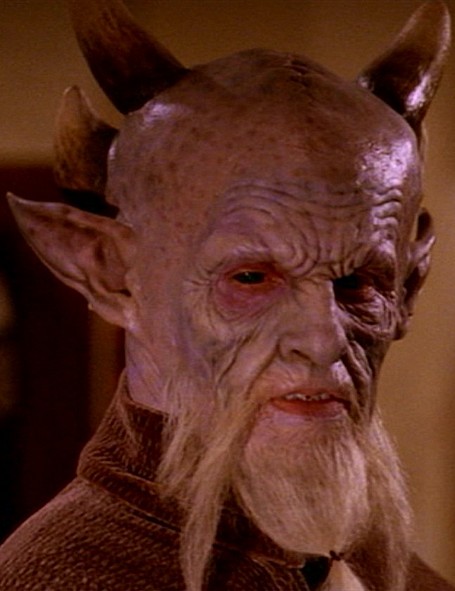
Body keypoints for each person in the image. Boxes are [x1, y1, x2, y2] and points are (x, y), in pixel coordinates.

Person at [0, 0, 453, 589]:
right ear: (112, 276)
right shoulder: (62, 576)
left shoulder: (382, 569)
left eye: (357, 283)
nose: (322, 339)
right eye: (251, 279)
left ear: (409, 284)